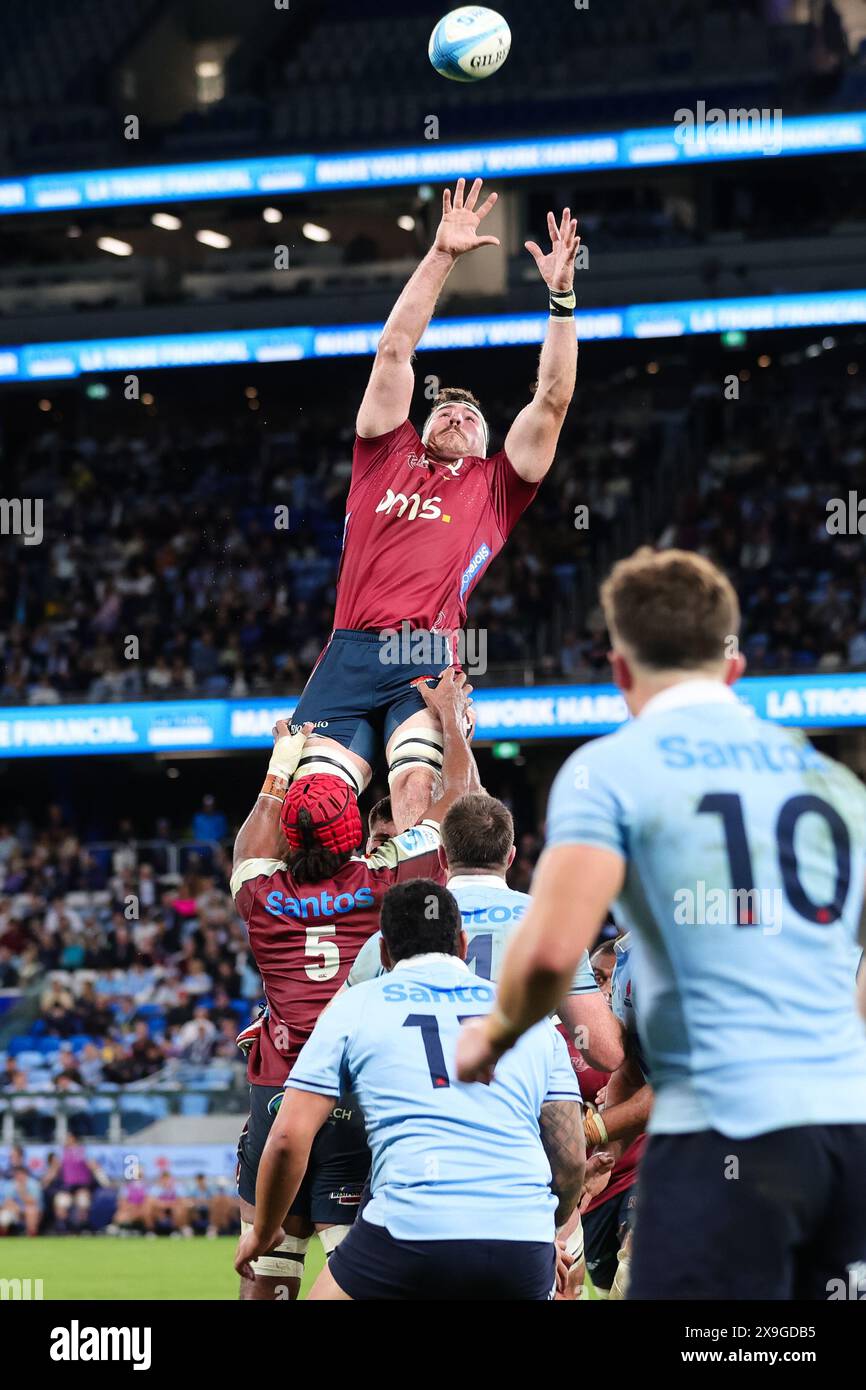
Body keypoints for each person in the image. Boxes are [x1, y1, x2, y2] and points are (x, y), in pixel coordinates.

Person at [456, 546, 866, 1300]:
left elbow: (550, 951)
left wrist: (490, 1036)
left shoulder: (606, 770)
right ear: (732, 669)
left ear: (619, 671)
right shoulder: (834, 783)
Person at [290, 177, 580, 831]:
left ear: (485, 443)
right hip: (345, 651)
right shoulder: (383, 451)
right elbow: (395, 349)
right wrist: (442, 255)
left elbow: (553, 400)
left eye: (472, 416)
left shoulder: (496, 487)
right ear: (420, 425)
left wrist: (561, 301)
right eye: (446, 407)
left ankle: (425, 928)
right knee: (309, 817)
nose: (457, 413)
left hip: (419, 652)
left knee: (418, 801)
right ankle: (343, 928)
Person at [231, 669, 479, 1299]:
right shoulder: (387, 890)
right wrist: (450, 721)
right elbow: (455, 803)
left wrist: (279, 771)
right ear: (356, 835)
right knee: (356, 1267)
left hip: (276, 1090)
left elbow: (250, 851)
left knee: (269, 1267)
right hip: (351, 1090)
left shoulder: (261, 894)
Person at [235, 879, 585, 1301]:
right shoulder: (531, 1017)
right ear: (462, 943)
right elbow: (569, 1158)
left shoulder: (356, 1004)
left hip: (409, 1230)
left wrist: (265, 1229)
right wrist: (543, 1233)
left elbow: (288, 1138)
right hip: (521, 1241)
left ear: (383, 952)